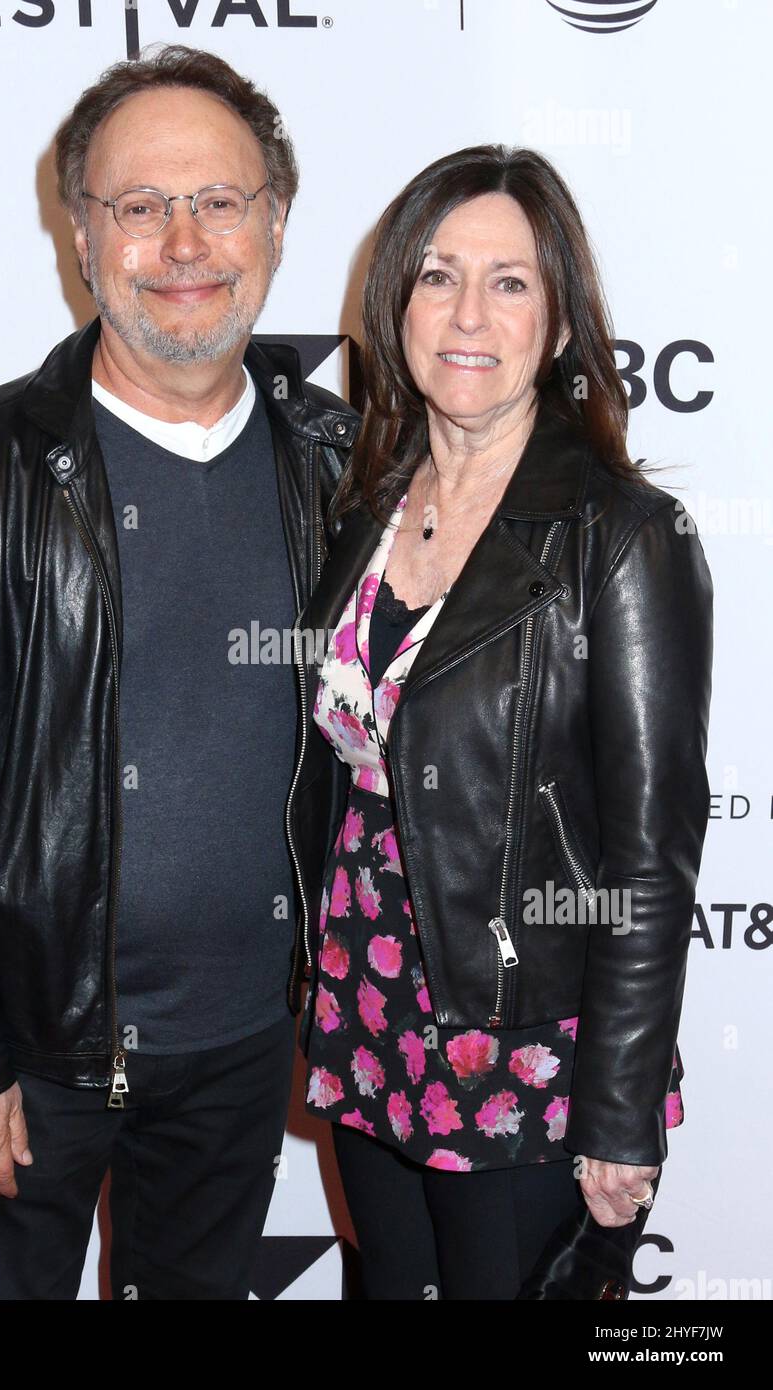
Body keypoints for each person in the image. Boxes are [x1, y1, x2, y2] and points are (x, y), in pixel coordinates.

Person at [0, 44, 359, 1300]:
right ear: (82, 233)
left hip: (246, 1052)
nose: (184, 242)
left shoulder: (341, 466)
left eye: (220, 201)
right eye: (140, 206)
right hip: (24, 1061)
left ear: (277, 222)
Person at [285, 144, 713, 1300]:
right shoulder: (371, 497)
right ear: (396, 303)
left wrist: (620, 1115)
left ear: (562, 321)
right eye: (436, 276)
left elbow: (652, 850)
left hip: (526, 1041)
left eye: (510, 281)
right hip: (370, 999)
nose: (468, 312)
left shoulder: (622, 536)